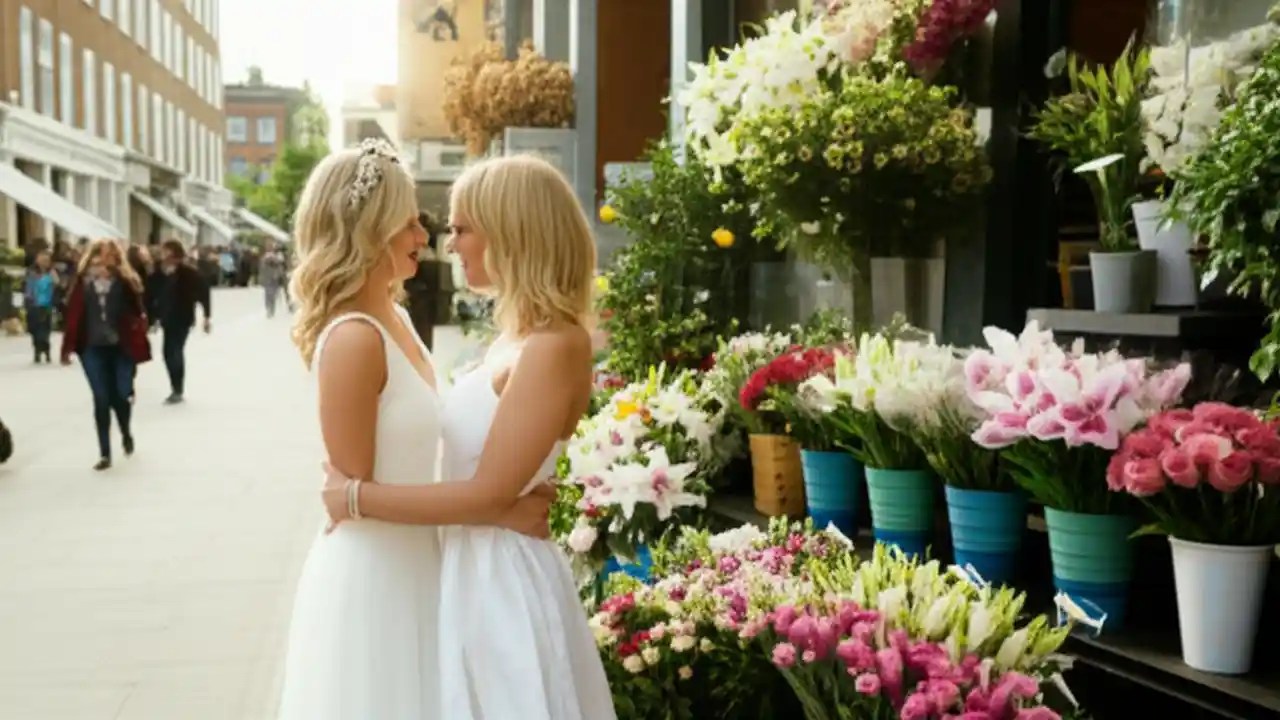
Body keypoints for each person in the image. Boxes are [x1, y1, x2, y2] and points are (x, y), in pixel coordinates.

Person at [319, 154, 615, 718]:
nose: (447, 244)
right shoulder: (516, 338)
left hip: (502, 583)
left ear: (511, 230)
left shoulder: (554, 344)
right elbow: (488, 492)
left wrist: (353, 498)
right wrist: (495, 507)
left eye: (460, 228)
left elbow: (488, 491)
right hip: (469, 564)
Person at [276, 140, 555, 720]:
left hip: (421, 560)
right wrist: (494, 509)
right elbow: (352, 498)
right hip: (375, 576)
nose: (424, 237)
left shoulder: (396, 317)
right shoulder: (353, 337)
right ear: (369, 231)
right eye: (409, 223)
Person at [60, 239, 152, 471]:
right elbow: (72, 316)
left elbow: (140, 312)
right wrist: (67, 348)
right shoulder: (81, 284)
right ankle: (105, 453)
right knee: (101, 398)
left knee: (120, 395)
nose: (102, 262)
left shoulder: (125, 282)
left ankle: (126, 432)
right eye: (97, 257)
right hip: (91, 347)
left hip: (121, 347)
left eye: (108, 257)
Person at [153, 240, 212, 404]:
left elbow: (204, 292)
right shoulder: (159, 272)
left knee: (175, 350)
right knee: (167, 353)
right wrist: (152, 316)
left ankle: (177, 389)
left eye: (165, 251)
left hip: (183, 317)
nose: (162, 254)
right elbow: (151, 293)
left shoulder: (188, 273)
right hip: (166, 317)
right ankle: (175, 386)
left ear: (173, 253)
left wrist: (207, 316)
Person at [23, 250, 59, 363]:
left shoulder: (51, 273)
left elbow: (58, 285)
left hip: (47, 305)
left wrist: (54, 278)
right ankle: (37, 350)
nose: (44, 262)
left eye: (46, 260)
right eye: (42, 260)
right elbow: (27, 288)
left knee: (45, 330)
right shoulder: (31, 272)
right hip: (34, 304)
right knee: (34, 329)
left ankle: (46, 350)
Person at [258, 242, 287, 317]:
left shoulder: (277, 257)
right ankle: (268, 309)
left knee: (272, 295)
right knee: (268, 295)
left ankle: (271, 309)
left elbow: (280, 267)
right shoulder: (264, 257)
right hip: (268, 278)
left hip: (274, 278)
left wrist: (278, 274)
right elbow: (262, 269)